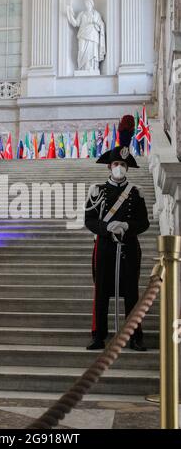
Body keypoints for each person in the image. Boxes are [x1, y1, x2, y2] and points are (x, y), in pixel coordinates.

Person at [85, 115, 150, 352]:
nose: (119, 168)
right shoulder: (97, 191)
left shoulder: (136, 192)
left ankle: (135, 336)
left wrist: (128, 227)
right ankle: (98, 335)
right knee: (101, 292)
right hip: (104, 246)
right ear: (109, 167)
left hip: (129, 247)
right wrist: (106, 228)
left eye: (123, 165)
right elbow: (89, 220)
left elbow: (144, 222)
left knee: (132, 292)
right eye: (115, 165)